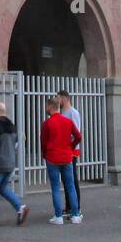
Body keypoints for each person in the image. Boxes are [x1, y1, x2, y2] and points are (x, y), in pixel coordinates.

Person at [40, 96, 82, 224]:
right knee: (70, 185)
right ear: (59, 106)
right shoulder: (67, 122)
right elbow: (78, 136)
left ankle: (58, 216)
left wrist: (45, 155)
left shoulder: (47, 123)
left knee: (55, 187)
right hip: (67, 156)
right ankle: (75, 215)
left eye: (47, 106)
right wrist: (72, 145)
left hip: (52, 157)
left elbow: (43, 142)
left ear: (49, 107)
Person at [58, 90, 82, 219]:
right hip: (65, 149)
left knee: (72, 180)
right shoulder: (63, 113)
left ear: (65, 98)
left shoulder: (73, 113)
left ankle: (76, 207)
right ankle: (69, 206)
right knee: (67, 180)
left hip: (71, 150)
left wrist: (71, 145)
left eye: (59, 98)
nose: (58, 101)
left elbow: (76, 132)